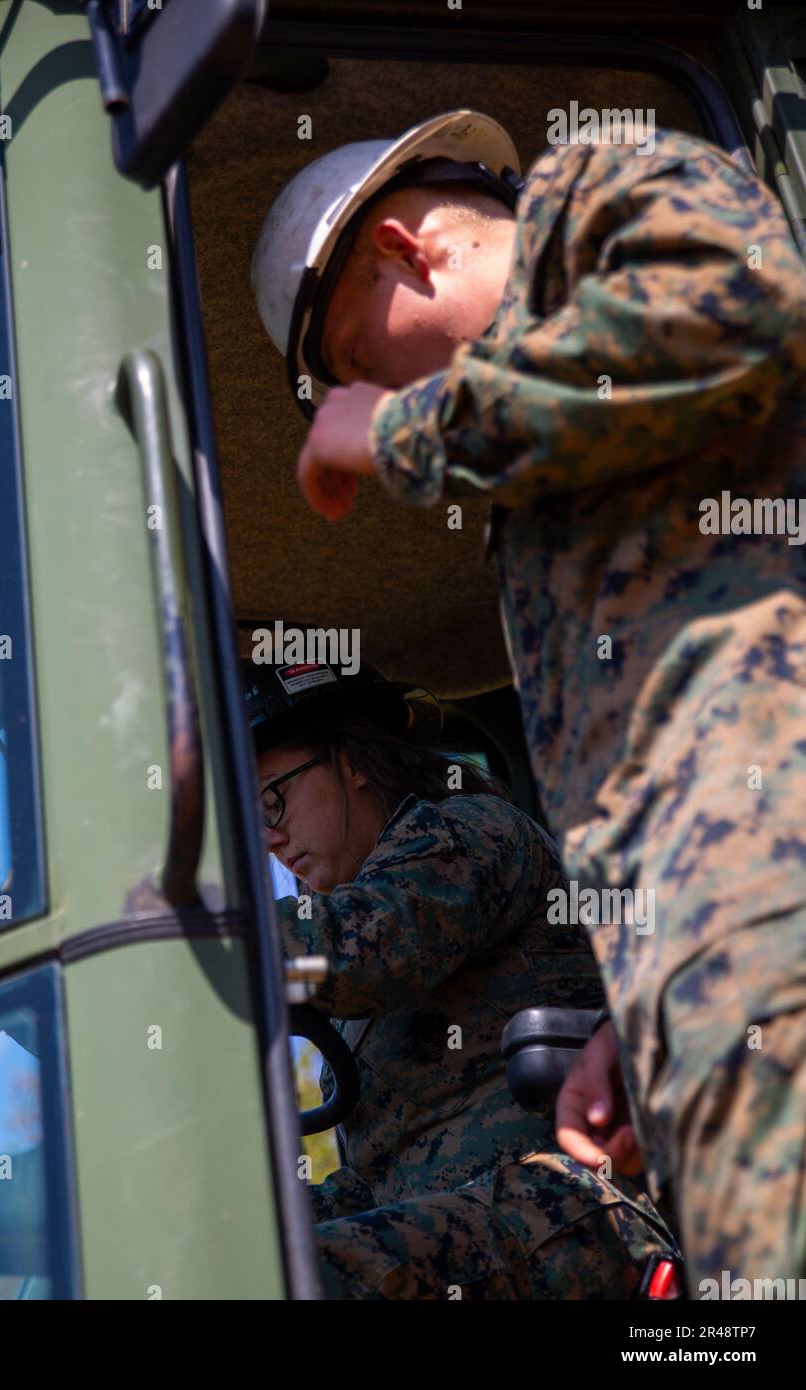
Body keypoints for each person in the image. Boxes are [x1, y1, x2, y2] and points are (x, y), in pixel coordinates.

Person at [250, 110, 806, 1289]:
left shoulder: (614, 190)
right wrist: (635, 1019)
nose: (368, 396)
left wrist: (402, 426)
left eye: (358, 355)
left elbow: (737, 314)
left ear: (405, 251)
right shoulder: (544, 515)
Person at [245, 655, 676, 1299]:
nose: (271, 838)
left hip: (562, 1212)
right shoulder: (351, 999)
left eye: (273, 797)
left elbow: (364, 942)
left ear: (352, 761)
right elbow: (378, 1177)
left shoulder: (465, 834)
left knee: (290, 1279)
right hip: (466, 1235)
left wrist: (198, 939)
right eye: (253, 821)